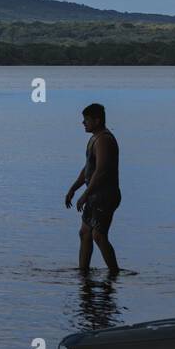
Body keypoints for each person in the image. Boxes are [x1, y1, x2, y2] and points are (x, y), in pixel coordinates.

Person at [64, 102, 121, 275]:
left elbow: (101, 170)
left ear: (97, 120)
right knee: (85, 233)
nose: (83, 123)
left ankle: (114, 272)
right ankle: (83, 273)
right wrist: (73, 189)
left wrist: (85, 194)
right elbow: (88, 168)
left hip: (105, 195)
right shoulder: (94, 138)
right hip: (94, 195)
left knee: (99, 235)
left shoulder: (104, 139)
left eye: (86, 120)